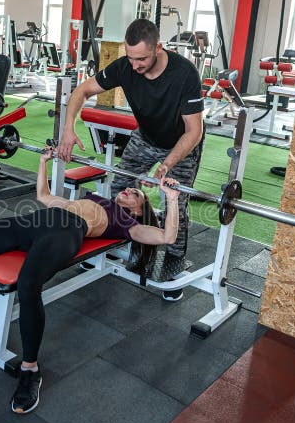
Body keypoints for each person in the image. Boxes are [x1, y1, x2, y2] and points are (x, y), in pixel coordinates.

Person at [0, 147, 180, 415]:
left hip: (63, 233)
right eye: (131, 189)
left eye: (136, 196)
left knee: (28, 285)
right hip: (31, 222)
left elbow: (167, 237)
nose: (130, 191)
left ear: (137, 211)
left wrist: (172, 198)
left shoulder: (126, 223)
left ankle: (30, 369)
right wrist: (42, 162)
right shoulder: (96, 199)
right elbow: (43, 195)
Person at [57, 18, 204, 298]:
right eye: (131, 57)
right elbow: (82, 91)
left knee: (175, 202)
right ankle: (113, 241)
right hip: (145, 138)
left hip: (180, 145)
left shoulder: (184, 73)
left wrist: (167, 164)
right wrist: (68, 129)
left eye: (142, 59)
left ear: (158, 48)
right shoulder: (125, 67)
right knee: (118, 188)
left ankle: (174, 262)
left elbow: (193, 131)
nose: (135, 65)